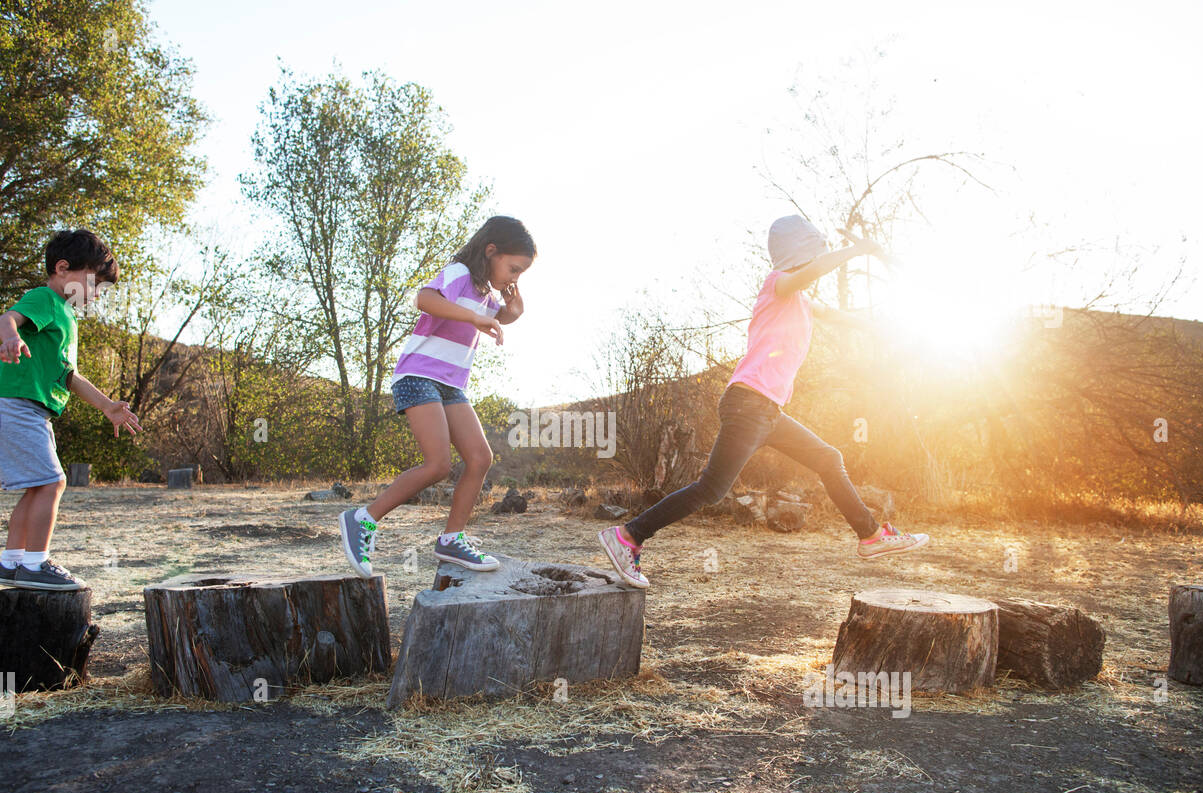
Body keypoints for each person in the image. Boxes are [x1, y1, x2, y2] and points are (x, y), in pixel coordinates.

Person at [599, 215, 929, 589]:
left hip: (768, 411)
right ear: (800, 253)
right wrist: (858, 250)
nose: (818, 262)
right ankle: (628, 536)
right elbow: (812, 270)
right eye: (814, 253)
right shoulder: (779, 285)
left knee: (828, 458)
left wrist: (882, 325)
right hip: (749, 404)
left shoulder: (801, 300)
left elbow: (838, 316)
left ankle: (871, 536)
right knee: (711, 489)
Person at [340, 216, 536, 576]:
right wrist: (474, 318)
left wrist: (514, 310)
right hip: (418, 375)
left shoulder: (487, 295)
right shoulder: (460, 273)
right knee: (439, 464)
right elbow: (425, 298)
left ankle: (451, 540)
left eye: (521, 273)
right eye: (513, 268)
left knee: (479, 457)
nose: (514, 278)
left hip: (451, 384)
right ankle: (362, 520)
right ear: (491, 251)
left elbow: (501, 317)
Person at [0, 229, 141, 591]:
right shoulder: (45, 299)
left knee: (38, 487)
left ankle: (12, 561)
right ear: (64, 269)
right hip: (14, 403)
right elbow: (6, 319)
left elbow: (68, 376)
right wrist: (11, 338)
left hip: (23, 407)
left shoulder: (66, 318)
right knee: (54, 481)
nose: (98, 294)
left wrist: (108, 406)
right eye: (95, 282)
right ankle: (36, 564)